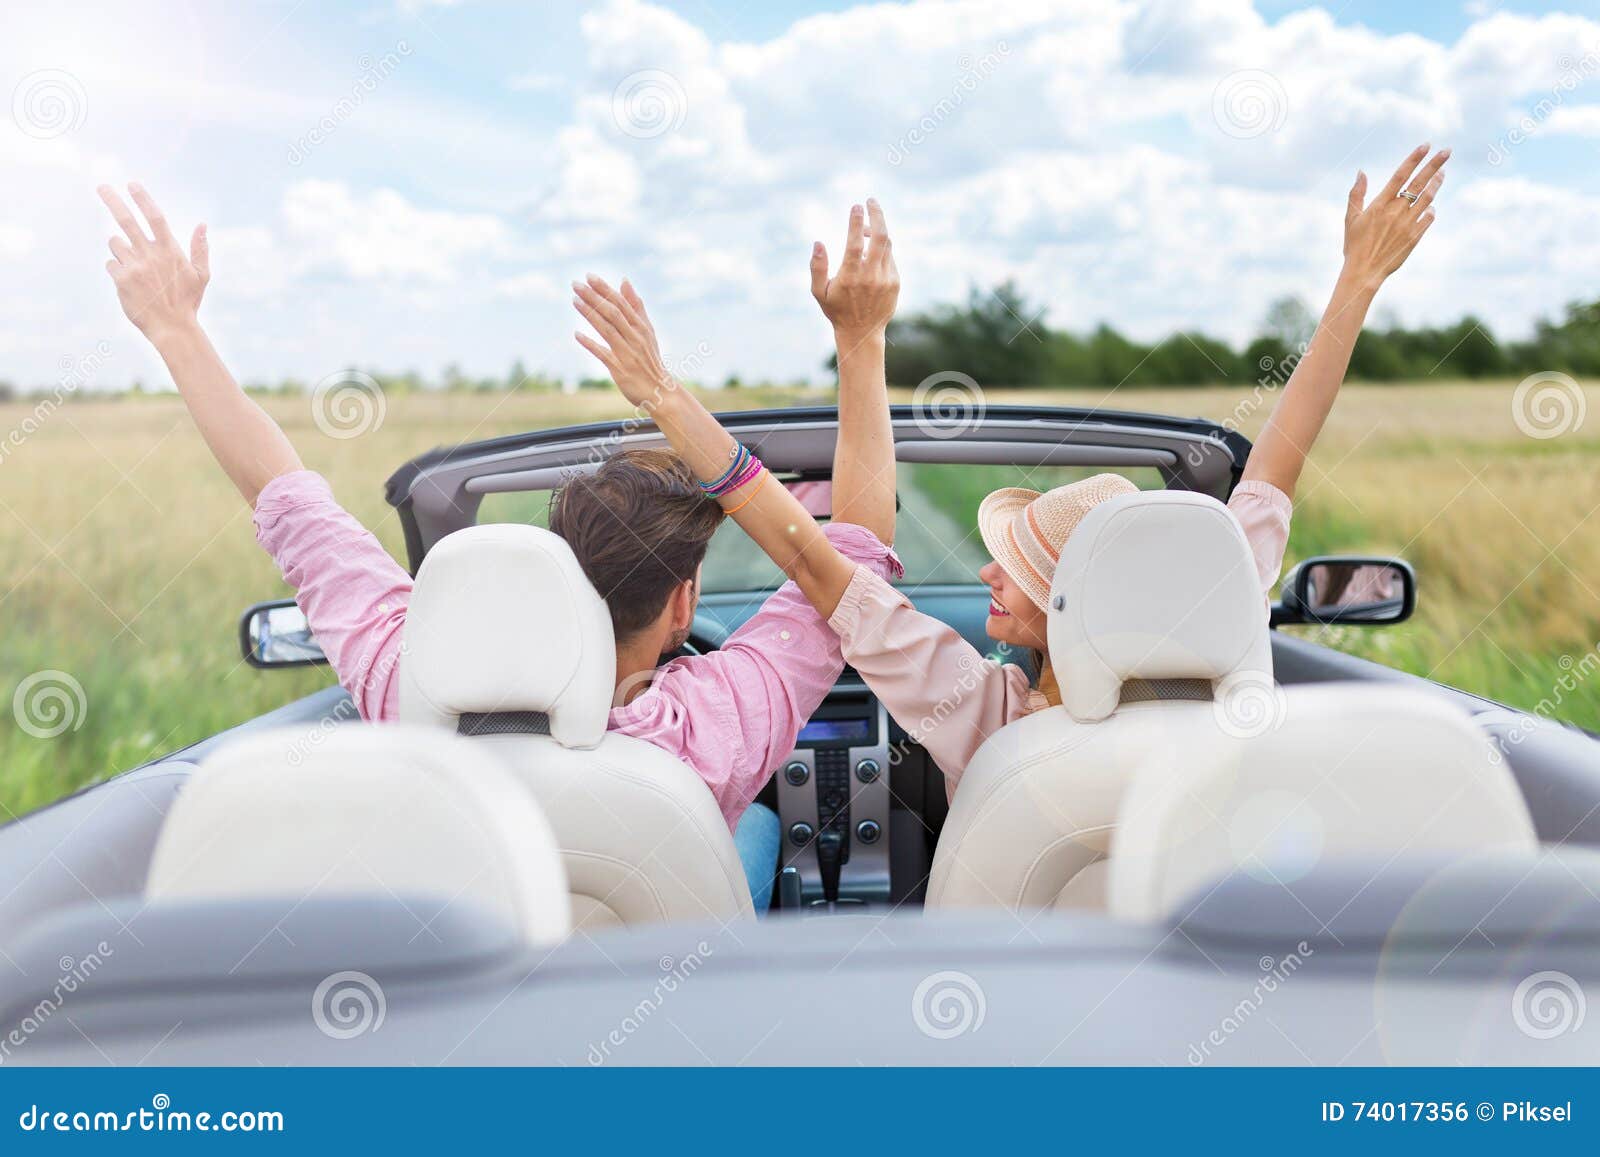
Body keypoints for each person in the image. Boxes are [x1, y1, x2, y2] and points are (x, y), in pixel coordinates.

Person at [97, 184, 900, 910]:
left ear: (560, 573)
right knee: (757, 831)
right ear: (684, 600)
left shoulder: (403, 679)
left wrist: (175, 330)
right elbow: (850, 562)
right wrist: (860, 341)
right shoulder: (713, 726)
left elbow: (285, 495)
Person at [578, 144, 1448, 798]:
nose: (991, 568)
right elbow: (1276, 467)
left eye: (1024, 566)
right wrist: (1356, 285)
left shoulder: (988, 716)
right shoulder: (1221, 618)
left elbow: (818, 560)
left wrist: (667, 392)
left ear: (1076, 605)